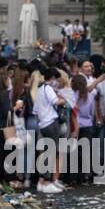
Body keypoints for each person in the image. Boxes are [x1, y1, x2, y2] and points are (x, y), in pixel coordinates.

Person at [35, 65, 67, 194]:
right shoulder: (48, 88)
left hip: (43, 123)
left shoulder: (40, 89)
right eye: (56, 79)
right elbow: (55, 101)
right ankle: (47, 181)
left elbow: (35, 109)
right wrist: (63, 99)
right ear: (52, 78)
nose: (57, 82)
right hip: (51, 123)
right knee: (51, 153)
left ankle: (41, 182)